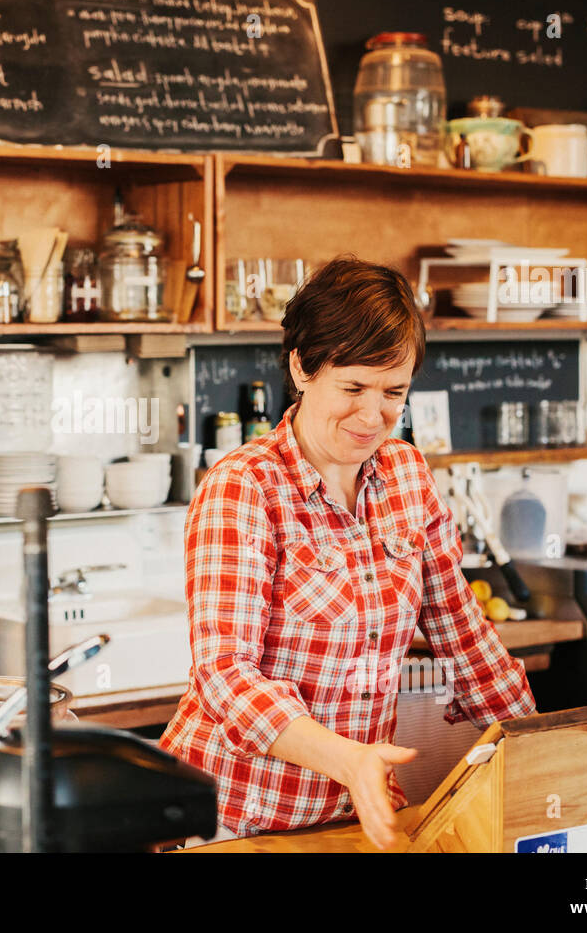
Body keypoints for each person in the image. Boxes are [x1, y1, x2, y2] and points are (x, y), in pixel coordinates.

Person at [160, 256, 536, 849]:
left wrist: (539, 747)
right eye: (353, 387)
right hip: (230, 819)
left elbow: (462, 636)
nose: (373, 415)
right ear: (303, 368)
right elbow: (225, 674)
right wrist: (349, 761)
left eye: (394, 392)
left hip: (352, 815)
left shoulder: (407, 475)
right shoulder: (244, 487)